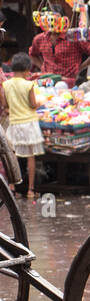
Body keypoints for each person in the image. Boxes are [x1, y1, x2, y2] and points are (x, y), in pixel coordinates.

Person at [3, 53, 44, 198]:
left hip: (14, 124)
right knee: (30, 157)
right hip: (29, 124)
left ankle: (12, 188)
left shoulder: (6, 84)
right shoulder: (29, 85)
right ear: (27, 69)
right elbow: (33, 104)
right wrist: (40, 102)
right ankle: (31, 190)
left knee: (12, 158)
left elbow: (5, 105)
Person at [28, 21, 90, 86]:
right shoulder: (39, 39)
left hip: (68, 82)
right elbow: (32, 54)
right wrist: (42, 67)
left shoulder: (74, 38)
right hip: (47, 80)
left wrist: (80, 68)